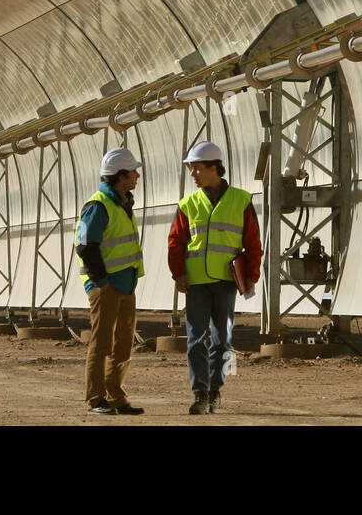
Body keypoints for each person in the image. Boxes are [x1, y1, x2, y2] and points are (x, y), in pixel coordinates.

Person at [167, 141, 261, 415]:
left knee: (222, 340)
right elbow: (176, 242)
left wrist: (251, 276)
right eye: (191, 169)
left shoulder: (241, 200)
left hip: (226, 281)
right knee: (196, 338)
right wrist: (179, 274)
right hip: (196, 282)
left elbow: (253, 242)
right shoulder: (188, 203)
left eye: (197, 168)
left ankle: (215, 391)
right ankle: (200, 393)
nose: (193, 174)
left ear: (213, 168)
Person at [76, 146, 146, 416]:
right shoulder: (98, 205)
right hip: (106, 288)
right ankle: (95, 399)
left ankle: (116, 397)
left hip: (125, 286)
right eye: (133, 172)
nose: (137, 175)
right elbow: (85, 246)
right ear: (120, 176)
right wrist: (102, 282)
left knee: (123, 344)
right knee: (102, 344)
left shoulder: (123, 202)